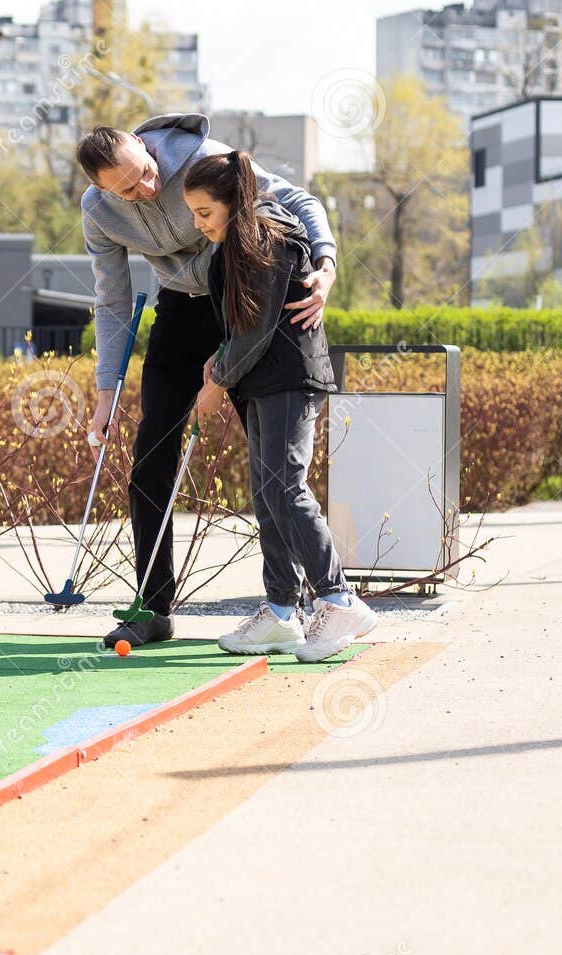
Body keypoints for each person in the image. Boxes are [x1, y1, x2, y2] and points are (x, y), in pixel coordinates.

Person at [75, 115, 337, 652]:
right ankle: (153, 607)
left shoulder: (205, 161)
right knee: (150, 456)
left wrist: (326, 265)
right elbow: (112, 300)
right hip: (176, 310)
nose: (144, 190)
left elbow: (301, 202)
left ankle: (292, 605)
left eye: (145, 174)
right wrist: (106, 395)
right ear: (101, 190)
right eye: (126, 189)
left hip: (240, 306)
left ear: (146, 150)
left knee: (273, 469)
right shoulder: (98, 213)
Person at [182, 150, 377, 662]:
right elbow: (241, 328)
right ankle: (282, 612)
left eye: (205, 213)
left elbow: (260, 327)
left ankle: (337, 599)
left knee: (285, 487)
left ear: (233, 201)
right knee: (267, 494)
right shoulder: (235, 245)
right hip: (259, 382)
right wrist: (217, 360)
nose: (198, 225)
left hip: (289, 378)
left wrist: (217, 381)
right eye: (193, 215)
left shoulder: (270, 239)